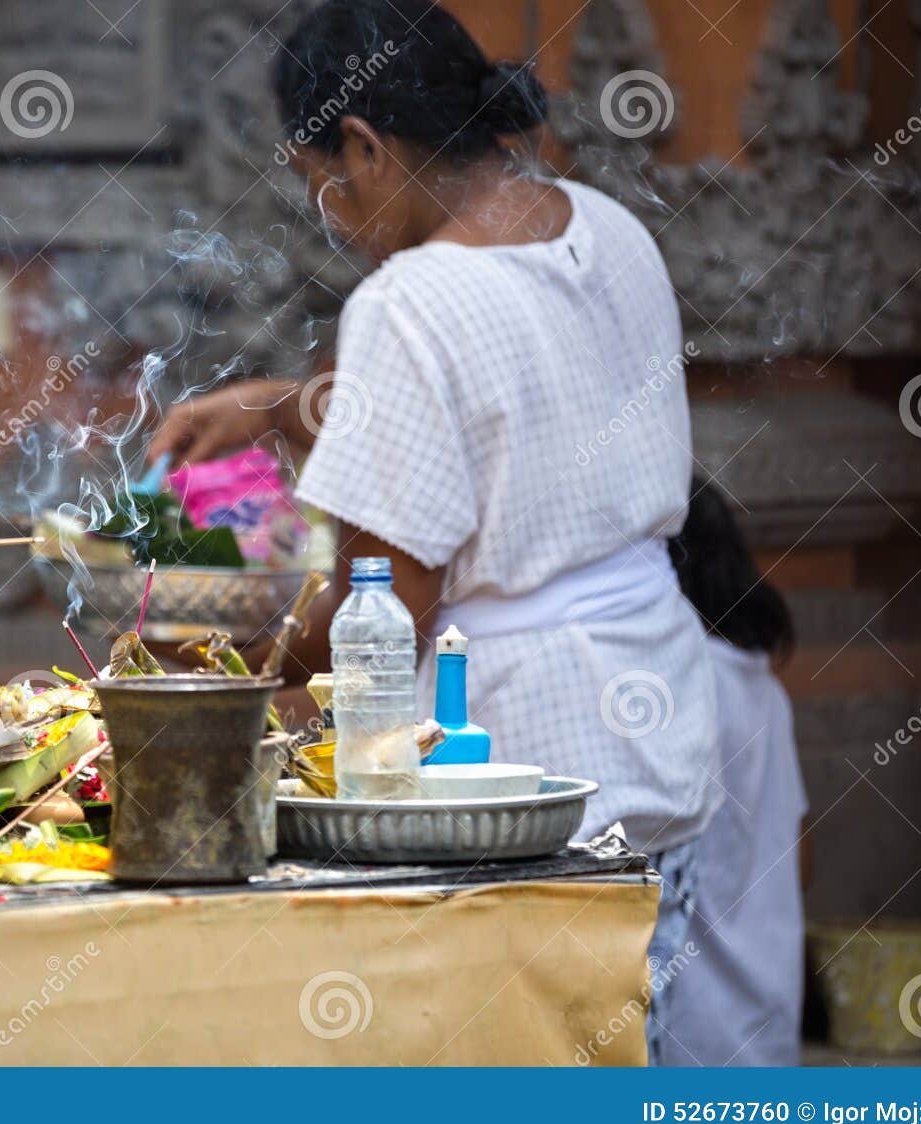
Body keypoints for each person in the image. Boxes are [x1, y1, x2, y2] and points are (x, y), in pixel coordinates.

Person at [147, 0, 720, 1063]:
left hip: (514, 769)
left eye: (319, 178)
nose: (325, 209)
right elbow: (522, 385)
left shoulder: (405, 301)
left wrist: (207, 657)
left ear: (363, 147)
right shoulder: (606, 226)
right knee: (631, 1046)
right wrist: (286, 406)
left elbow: (383, 615)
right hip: (656, 718)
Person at [660, 482, 807, 1065]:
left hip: (692, 1024)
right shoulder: (765, 689)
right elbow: (805, 855)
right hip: (768, 1012)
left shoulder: (679, 684)